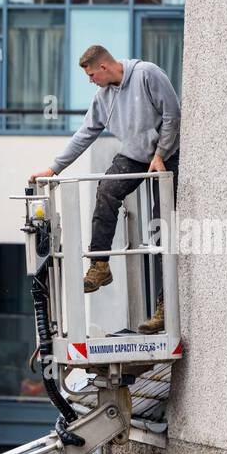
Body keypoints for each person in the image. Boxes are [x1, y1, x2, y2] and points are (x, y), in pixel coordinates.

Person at [29, 45, 181, 334]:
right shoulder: (103, 97)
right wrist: (54, 168)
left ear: (104, 67)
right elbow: (84, 134)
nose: (90, 81)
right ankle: (100, 265)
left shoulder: (147, 74)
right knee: (106, 190)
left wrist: (161, 153)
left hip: (168, 155)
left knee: (161, 227)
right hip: (136, 155)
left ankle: (165, 309)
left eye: (90, 75)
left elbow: (173, 114)